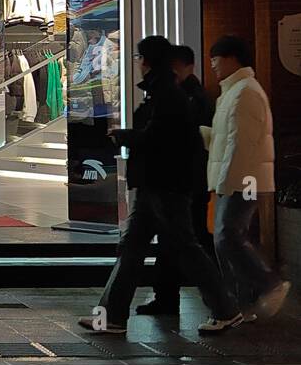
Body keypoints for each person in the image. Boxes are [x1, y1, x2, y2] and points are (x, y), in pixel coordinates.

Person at [79, 35, 242, 336]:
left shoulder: (167, 95)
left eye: (140, 58)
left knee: (184, 248)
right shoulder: (163, 92)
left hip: (165, 185)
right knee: (133, 248)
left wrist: (125, 136)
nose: (138, 64)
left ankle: (226, 309)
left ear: (149, 61)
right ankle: (111, 316)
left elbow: (160, 139)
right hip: (157, 184)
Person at [205, 35, 292, 319]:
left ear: (232, 58)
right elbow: (226, 139)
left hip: (244, 179)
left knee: (227, 236)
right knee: (230, 236)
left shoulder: (244, 92)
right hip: (242, 177)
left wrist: (226, 183)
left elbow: (240, 144)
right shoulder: (235, 91)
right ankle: (244, 302)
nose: (213, 65)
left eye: (216, 58)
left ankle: (268, 285)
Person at [137, 44, 213, 315]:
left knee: (187, 244)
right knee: (174, 243)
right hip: (176, 181)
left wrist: (134, 138)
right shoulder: (182, 94)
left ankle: (222, 304)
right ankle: (166, 297)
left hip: (179, 183)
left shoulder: (186, 97)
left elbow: (171, 139)